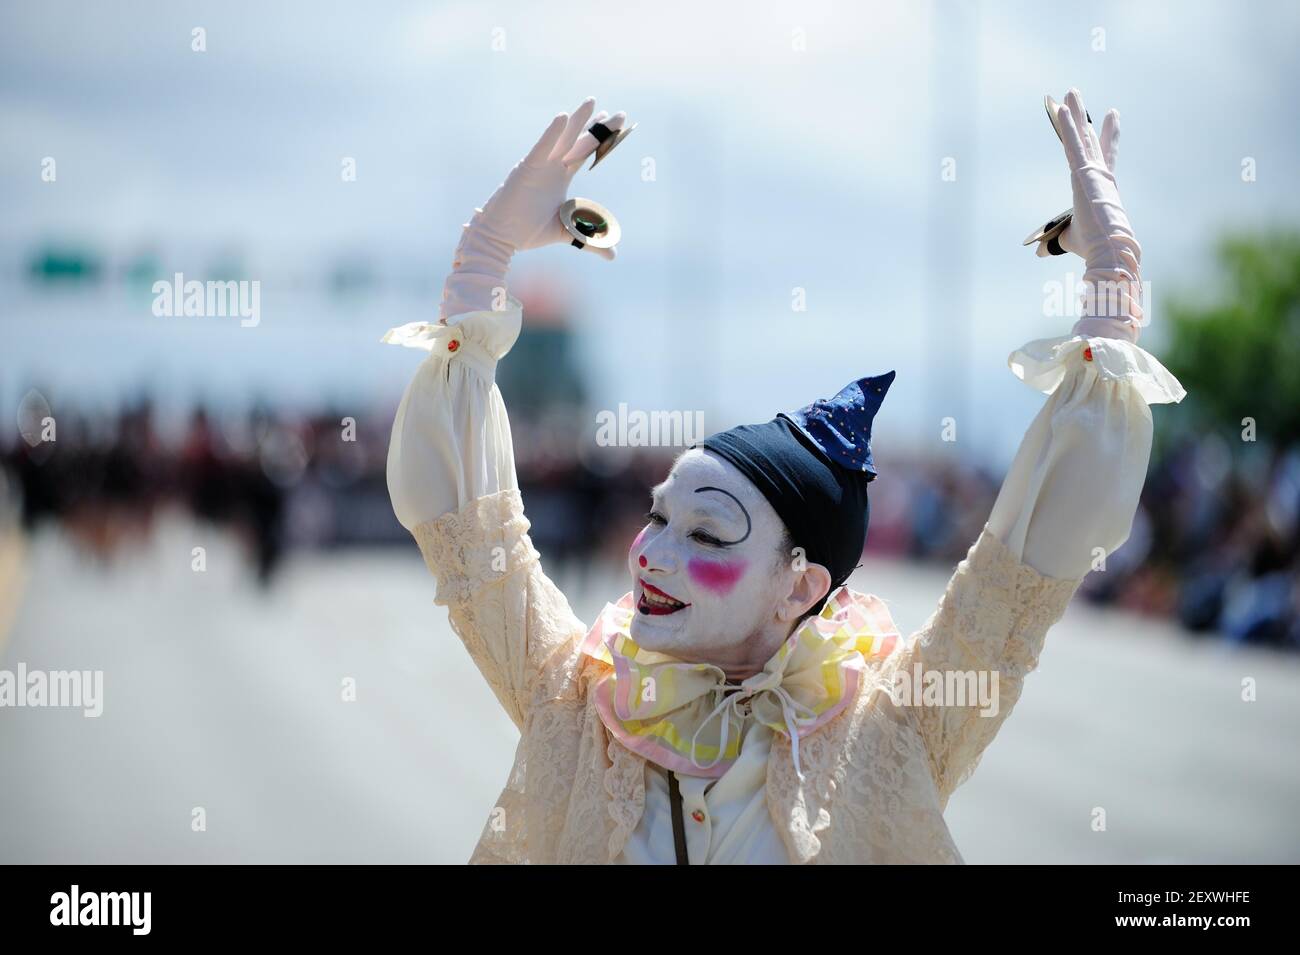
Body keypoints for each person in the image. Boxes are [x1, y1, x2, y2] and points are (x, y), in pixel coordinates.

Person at [383, 91, 1185, 864]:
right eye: (659, 517)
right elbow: (472, 536)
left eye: (706, 532)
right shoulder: (581, 702)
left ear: (798, 589)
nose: (651, 553)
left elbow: (1023, 576)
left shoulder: (890, 733)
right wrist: (483, 254)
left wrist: (1114, 281)